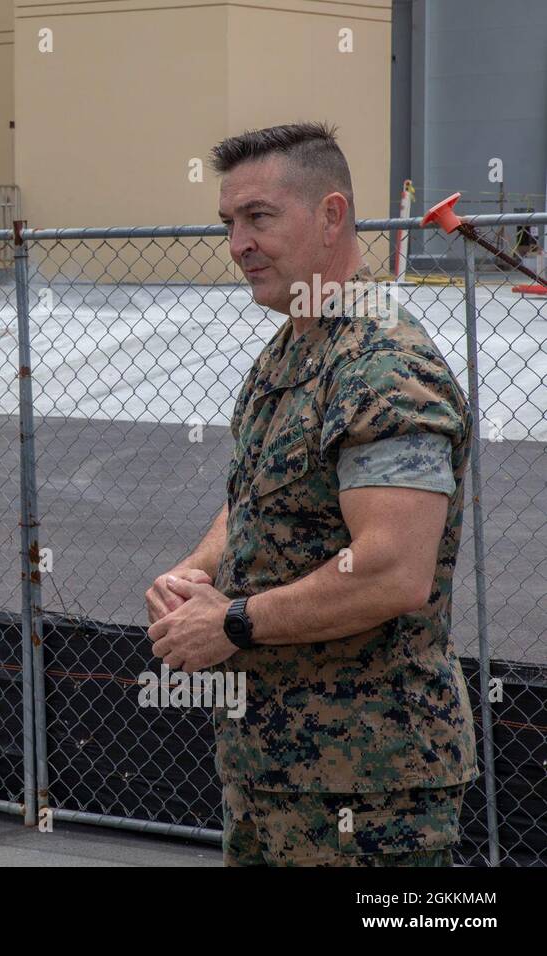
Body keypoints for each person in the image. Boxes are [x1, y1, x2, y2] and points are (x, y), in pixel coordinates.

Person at [143, 122, 477, 866]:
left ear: (331, 216)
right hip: (274, 775)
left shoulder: (382, 363)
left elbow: (393, 569)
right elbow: (262, 494)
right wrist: (195, 575)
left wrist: (230, 622)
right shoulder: (294, 348)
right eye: (229, 224)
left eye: (259, 217)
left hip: (370, 790)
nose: (238, 244)